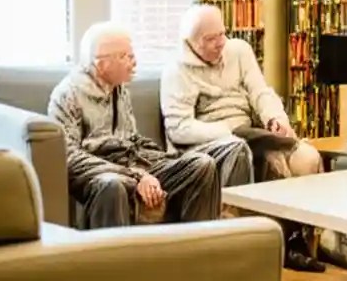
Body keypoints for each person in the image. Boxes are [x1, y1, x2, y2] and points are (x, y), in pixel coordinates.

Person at [161, 4, 347, 272]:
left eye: (222, 35)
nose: (219, 44)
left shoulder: (238, 51)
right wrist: (225, 131)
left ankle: (303, 240)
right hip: (210, 142)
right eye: (210, 39)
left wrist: (275, 119)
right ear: (189, 42)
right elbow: (179, 128)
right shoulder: (177, 71)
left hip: (248, 131)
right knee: (259, 157)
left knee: (307, 157)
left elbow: (261, 93)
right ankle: (277, 246)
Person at [47, 22, 225, 229]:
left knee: (201, 165)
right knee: (113, 185)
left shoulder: (119, 89)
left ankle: (197, 250)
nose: (134, 62)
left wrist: (162, 161)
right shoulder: (67, 95)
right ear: (101, 64)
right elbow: (69, 157)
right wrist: (135, 175)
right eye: (126, 57)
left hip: (132, 166)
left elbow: (131, 139)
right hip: (99, 174)